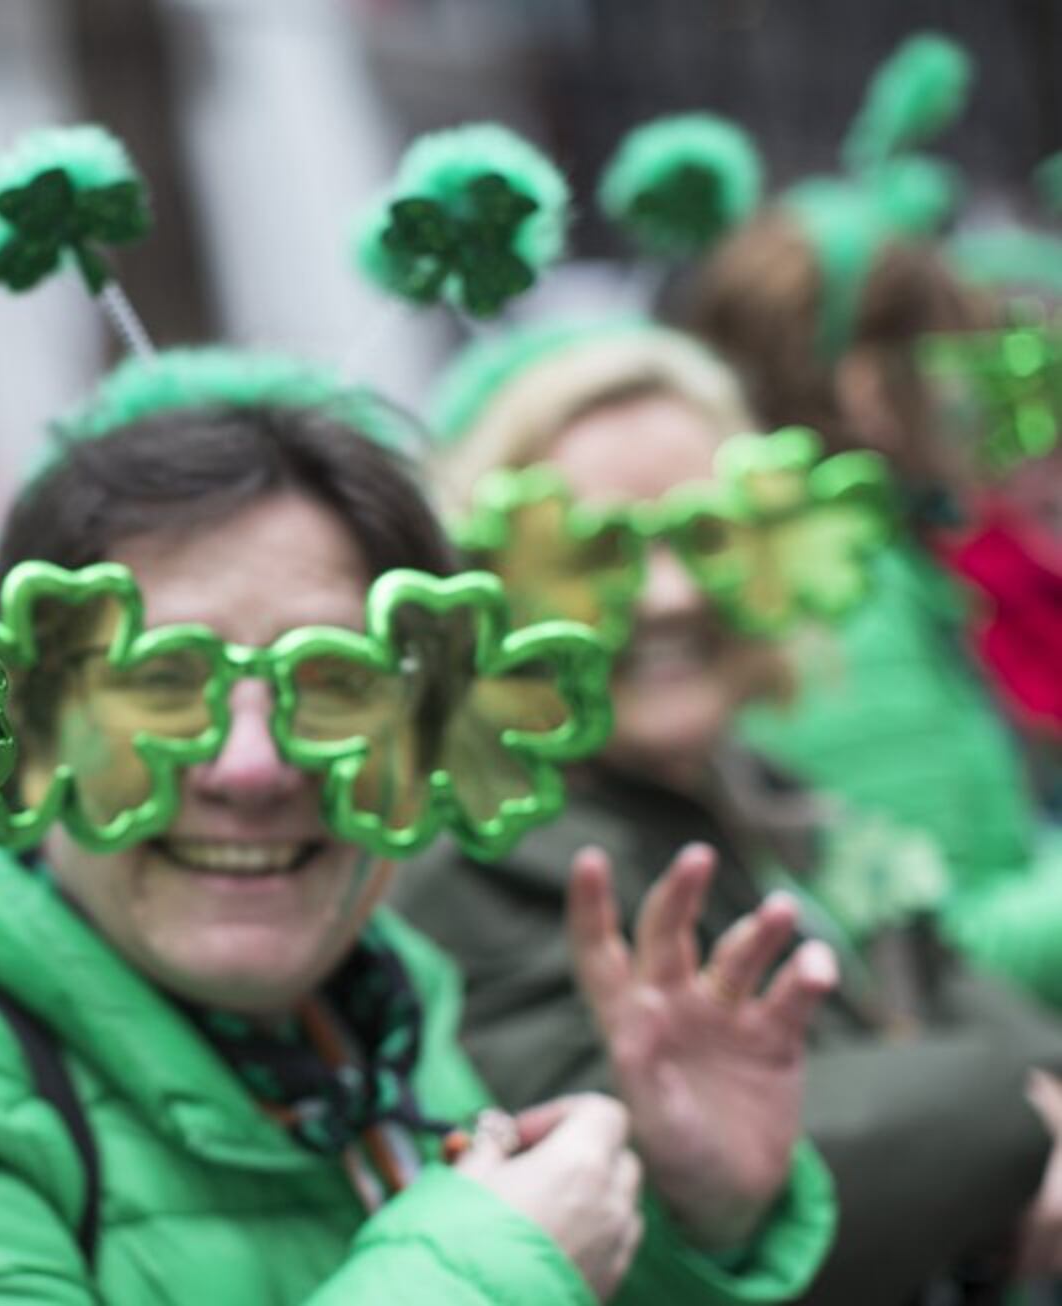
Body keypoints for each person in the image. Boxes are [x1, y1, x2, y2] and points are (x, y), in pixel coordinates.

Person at [0, 347, 838, 1304]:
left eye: (332, 682)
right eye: (162, 680)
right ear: (34, 720)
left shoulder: (376, 997)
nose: (251, 765)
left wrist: (697, 1218)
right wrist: (486, 1271)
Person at [400, 321, 1062, 1303]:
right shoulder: (481, 855)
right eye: (593, 554)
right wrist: (1019, 1135)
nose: (666, 594)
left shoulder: (766, 795)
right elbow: (663, 1185)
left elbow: (975, 1004)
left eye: (707, 535)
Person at [685, 209, 1062, 1006]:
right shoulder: (839, 608)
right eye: (950, 358)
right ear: (864, 385)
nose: (972, 392)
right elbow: (942, 950)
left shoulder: (871, 568)